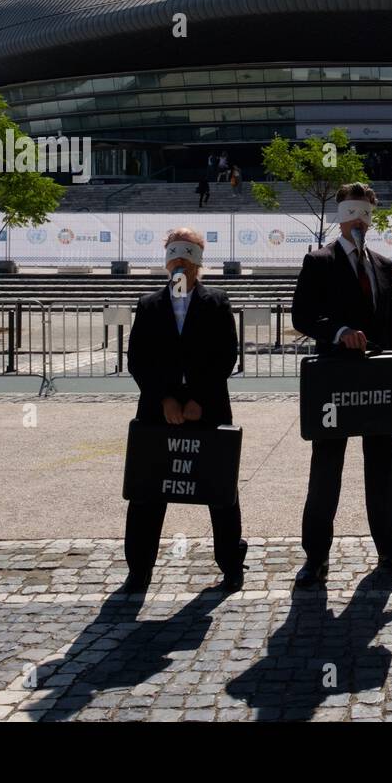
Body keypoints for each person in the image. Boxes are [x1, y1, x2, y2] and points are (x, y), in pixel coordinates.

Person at [290, 183, 392, 587]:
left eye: (365, 214)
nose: (359, 221)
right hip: (334, 379)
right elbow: (302, 315)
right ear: (341, 217)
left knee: (384, 468)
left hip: (379, 380)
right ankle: (316, 558)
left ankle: (391, 553)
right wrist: (340, 331)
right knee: (326, 471)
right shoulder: (319, 261)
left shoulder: (383, 264)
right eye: (352, 213)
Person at [123, 227, 246, 593]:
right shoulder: (148, 306)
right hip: (157, 412)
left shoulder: (217, 302)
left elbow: (226, 355)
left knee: (220, 490)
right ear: (165, 260)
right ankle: (139, 569)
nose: (180, 261)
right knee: (147, 492)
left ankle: (230, 563)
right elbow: (138, 360)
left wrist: (198, 399)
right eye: (174, 254)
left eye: (187, 255)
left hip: (206, 411)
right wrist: (165, 398)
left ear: (198, 262)